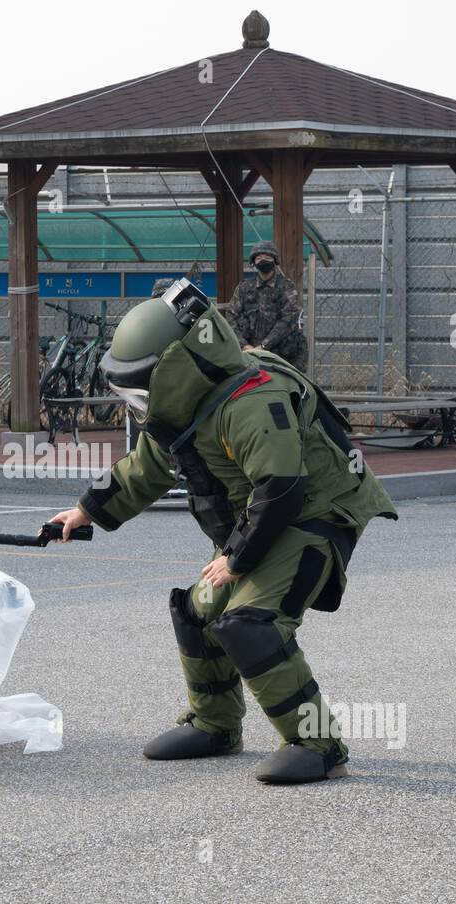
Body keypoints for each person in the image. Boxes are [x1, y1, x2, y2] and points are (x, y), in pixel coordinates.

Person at [47, 279, 396, 785]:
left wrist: (235, 559)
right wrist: (85, 512)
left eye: (143, 384)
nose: (138, 400)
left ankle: (317, 745)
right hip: (267, 515)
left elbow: (282, 488)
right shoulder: (187, 407)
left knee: (250, 622)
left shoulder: (252, 401)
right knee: (196, 611)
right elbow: (146, 466)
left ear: (175, 370)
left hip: (313, 517)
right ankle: (215, 724)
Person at [224, 239, 308, 370]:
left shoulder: (286, 287)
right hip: (247, 353)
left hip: (280, 356)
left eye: (268, 257)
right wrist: (244, 345)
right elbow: (231, 316)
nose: (263, 260)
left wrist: (263, 346)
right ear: (253, 262)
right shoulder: (244, 288)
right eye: (259, 258)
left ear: (274, 260)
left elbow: (288, 319)